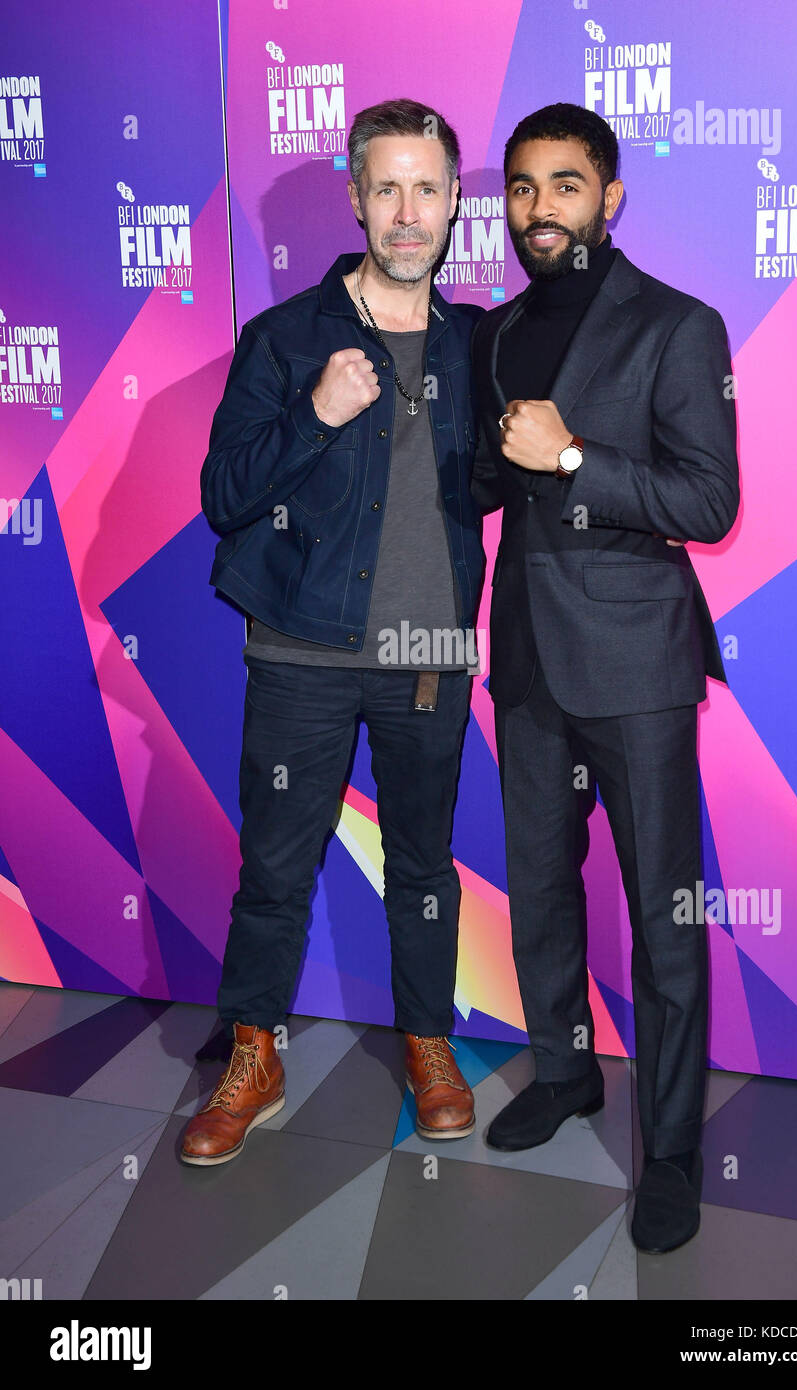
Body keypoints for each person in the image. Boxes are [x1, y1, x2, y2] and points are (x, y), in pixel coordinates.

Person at [183, 98, 486, 1166]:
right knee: (276, 864)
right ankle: (253, 1052)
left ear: (455, 204)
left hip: (429, 656)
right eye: (387, 188)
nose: (409, 212)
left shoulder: (482, 342)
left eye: (428, 188)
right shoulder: (285, 341)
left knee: (423, 863)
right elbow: (224, 493)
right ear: (355, 199)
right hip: (303, 646)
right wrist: (314, 415)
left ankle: (427, 1041)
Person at [470, 103, 739, 1252]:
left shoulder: (679, 326)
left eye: (565, 186)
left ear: (609, 197)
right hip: (525, 652)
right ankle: (566, 1071)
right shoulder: (493, 333)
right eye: (523, 189)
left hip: (634, 660)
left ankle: (672, 1146)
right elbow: (488, 483)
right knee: (541, 890)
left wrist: (576, 454)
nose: (539, 210)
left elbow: (708, 502)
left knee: (663, 914)